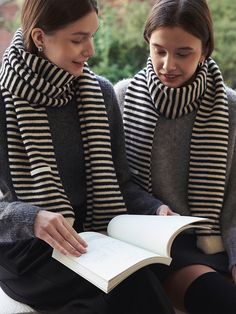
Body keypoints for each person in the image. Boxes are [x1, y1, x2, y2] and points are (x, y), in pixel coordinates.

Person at [0, 0, 177, 313]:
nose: (91, 50)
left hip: (91, 237)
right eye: (78, 39)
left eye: (93, 36)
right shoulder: (3, 102)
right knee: (132, 287)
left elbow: (121, 183)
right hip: (26, 249)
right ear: (40, 37)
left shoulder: (100, 93)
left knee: (130, 286)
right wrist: (32, 218)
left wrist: (156, 209)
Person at [114, 0, 236, 313]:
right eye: (159, 50)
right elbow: (113, 181)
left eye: (183, 53)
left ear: (205, 49)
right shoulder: (123, 97)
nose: (168, 64)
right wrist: (155, 210)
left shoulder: (230, 108)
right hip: (150, 246)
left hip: (213, 239)